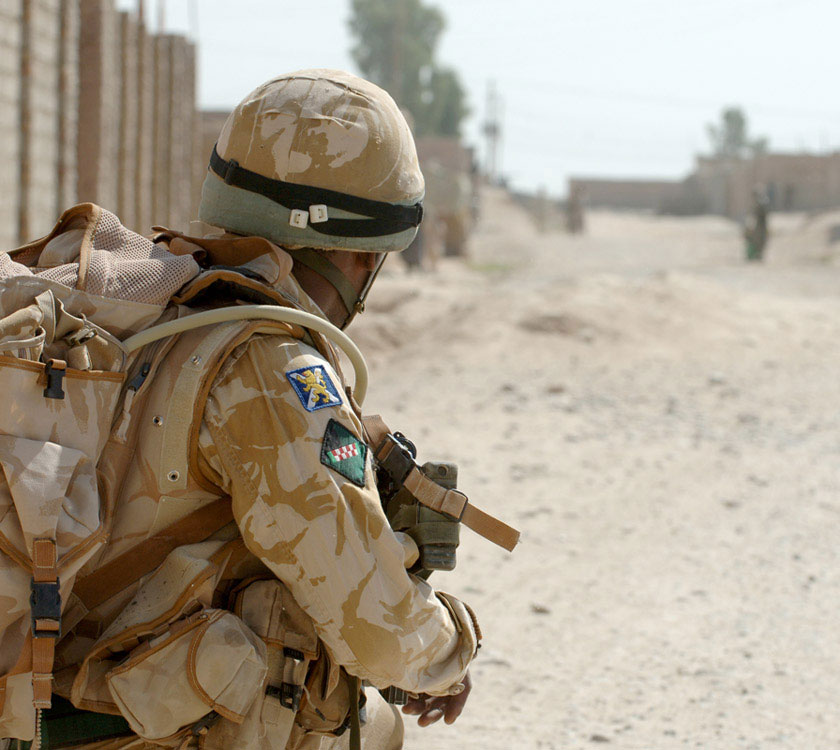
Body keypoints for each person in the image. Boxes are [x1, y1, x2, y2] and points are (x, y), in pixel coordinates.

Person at [1, 69, 483, 750]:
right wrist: (454, 649)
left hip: (29, 708)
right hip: (132, 729)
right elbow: (379, 631)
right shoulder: (271, 366)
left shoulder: (121, 298)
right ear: (358, 256)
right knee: (371, 729)